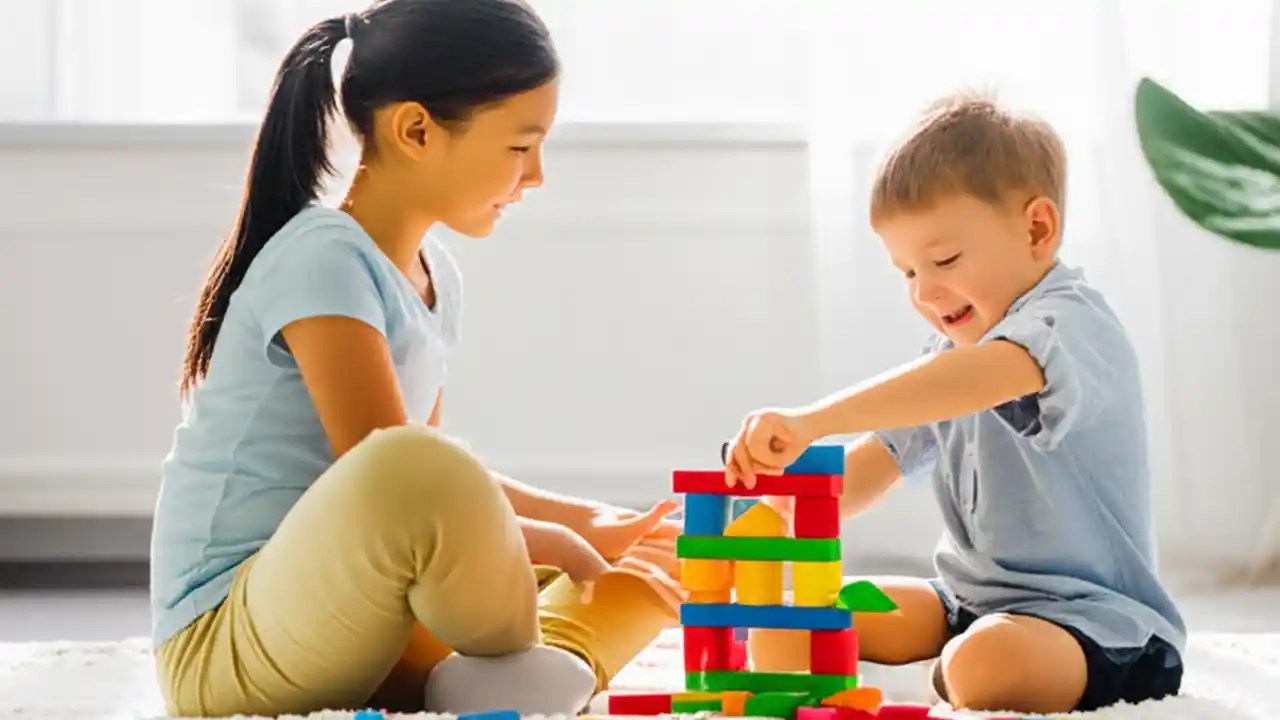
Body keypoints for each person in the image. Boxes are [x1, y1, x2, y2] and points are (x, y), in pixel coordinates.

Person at [148, 1, 681, 716]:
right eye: (521, 147)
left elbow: (435, 490)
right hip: (226, 644)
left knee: (634, 570)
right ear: (416, 129)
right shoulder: (324, 258)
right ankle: (526, 657)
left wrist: (592, 524)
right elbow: (399, 478)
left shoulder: (437, 278)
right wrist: (549, 544)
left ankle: (522, 669)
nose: (538, 176)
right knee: (426, 473)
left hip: (345, 619)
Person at [723, 92, 1186, 715]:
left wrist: (815, 419)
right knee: (788, 622)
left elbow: (974, 378)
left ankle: (955, 673)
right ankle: (946, 662)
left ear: (1037, 229)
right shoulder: (952, 353)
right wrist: (782, 491)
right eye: (907, 272)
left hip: (1097, 623)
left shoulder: (1068, 328)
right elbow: (868, 469)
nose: (924, 291)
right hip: (966, 603)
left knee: (986, 662)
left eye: (943, 260)